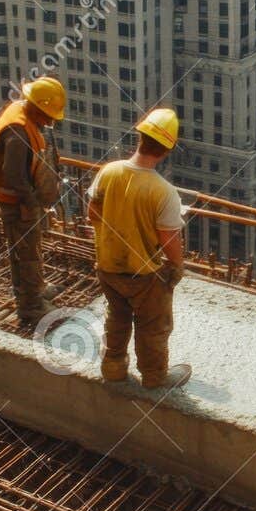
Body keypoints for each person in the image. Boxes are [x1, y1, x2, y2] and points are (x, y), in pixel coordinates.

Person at [86, 108, 191, 388]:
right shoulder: (163, 192)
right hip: (145, 274)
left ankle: (113, 367)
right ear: (167, 150)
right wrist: (178, 266)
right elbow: (169, 238)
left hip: (108, 267)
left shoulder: (109, 172)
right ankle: (154, 376)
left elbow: (92, 214)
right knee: (153, 326)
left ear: (140, 138)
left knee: (117, 317)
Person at [0, 77, 65, 331]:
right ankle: (31, 307)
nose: (51, 121)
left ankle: (37, 290)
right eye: (48, 115)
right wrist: (32, 203)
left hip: (23, 201)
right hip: (16, 204)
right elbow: (14, 175)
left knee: (32, 250)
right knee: (25, 256)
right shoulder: (18, 130)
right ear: (36, 106)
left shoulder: (23, 114)